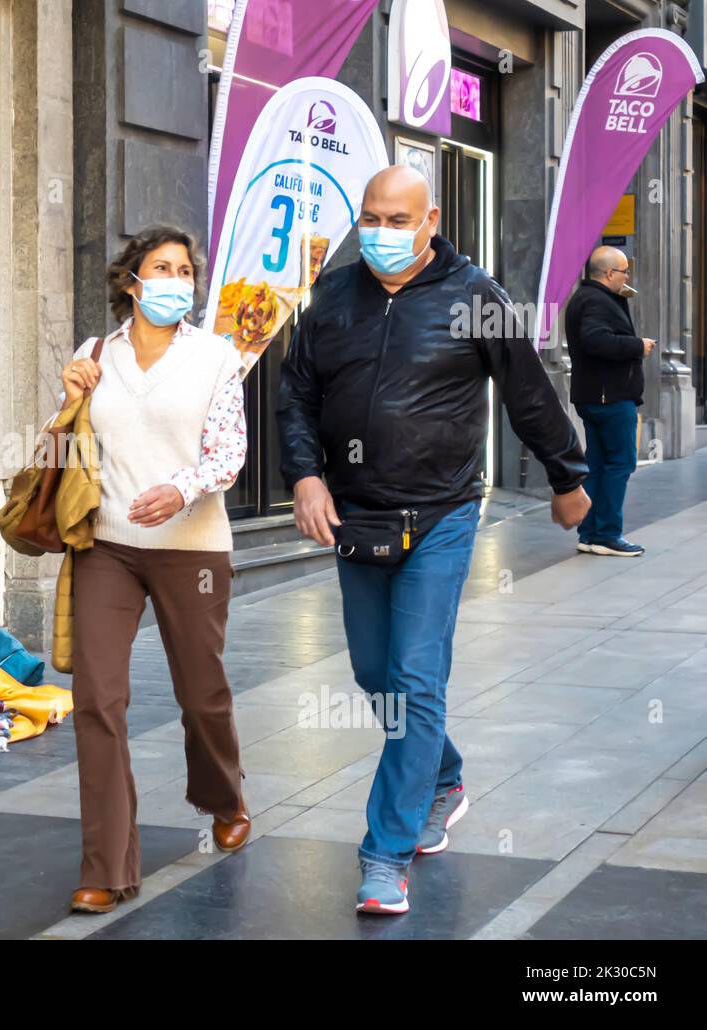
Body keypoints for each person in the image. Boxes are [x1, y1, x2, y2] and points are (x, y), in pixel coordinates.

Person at [277, 166, 591, 915]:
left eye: (397, 219)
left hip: (442, 517)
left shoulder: (475, 297)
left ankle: (385, 855)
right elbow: (297, 394)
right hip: (355, 515)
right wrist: (304, 476)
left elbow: (529, 393)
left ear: (431, 219)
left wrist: (568, 476)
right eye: (371, 217)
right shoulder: (333, 295)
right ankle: (443, 775)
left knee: (416, 681)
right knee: (375, 677)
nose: (381, 232)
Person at [56, 225, 250, 914]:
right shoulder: (94, 353)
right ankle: (105, 866)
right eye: (161, 268)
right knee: (97, 700)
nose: (177, 280)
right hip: (106, 546)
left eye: (185, 270)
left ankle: (224, 796)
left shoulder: (216, 357)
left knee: (202, 695)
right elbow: (67, 448)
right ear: (131, 281)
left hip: (192, 546)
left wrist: (182, 487)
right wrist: (67, 396)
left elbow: (230, 454)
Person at [564, 246, 655, 557]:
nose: (627, 276)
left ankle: (589, 534)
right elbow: (595, 340)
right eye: (624, 271)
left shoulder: (589, 298)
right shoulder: (596, 301)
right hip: (610, 397)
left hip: (596, 396)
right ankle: (606, 534)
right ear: (609, 273)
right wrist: (637, 346)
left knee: (599, 465)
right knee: (620, 464)